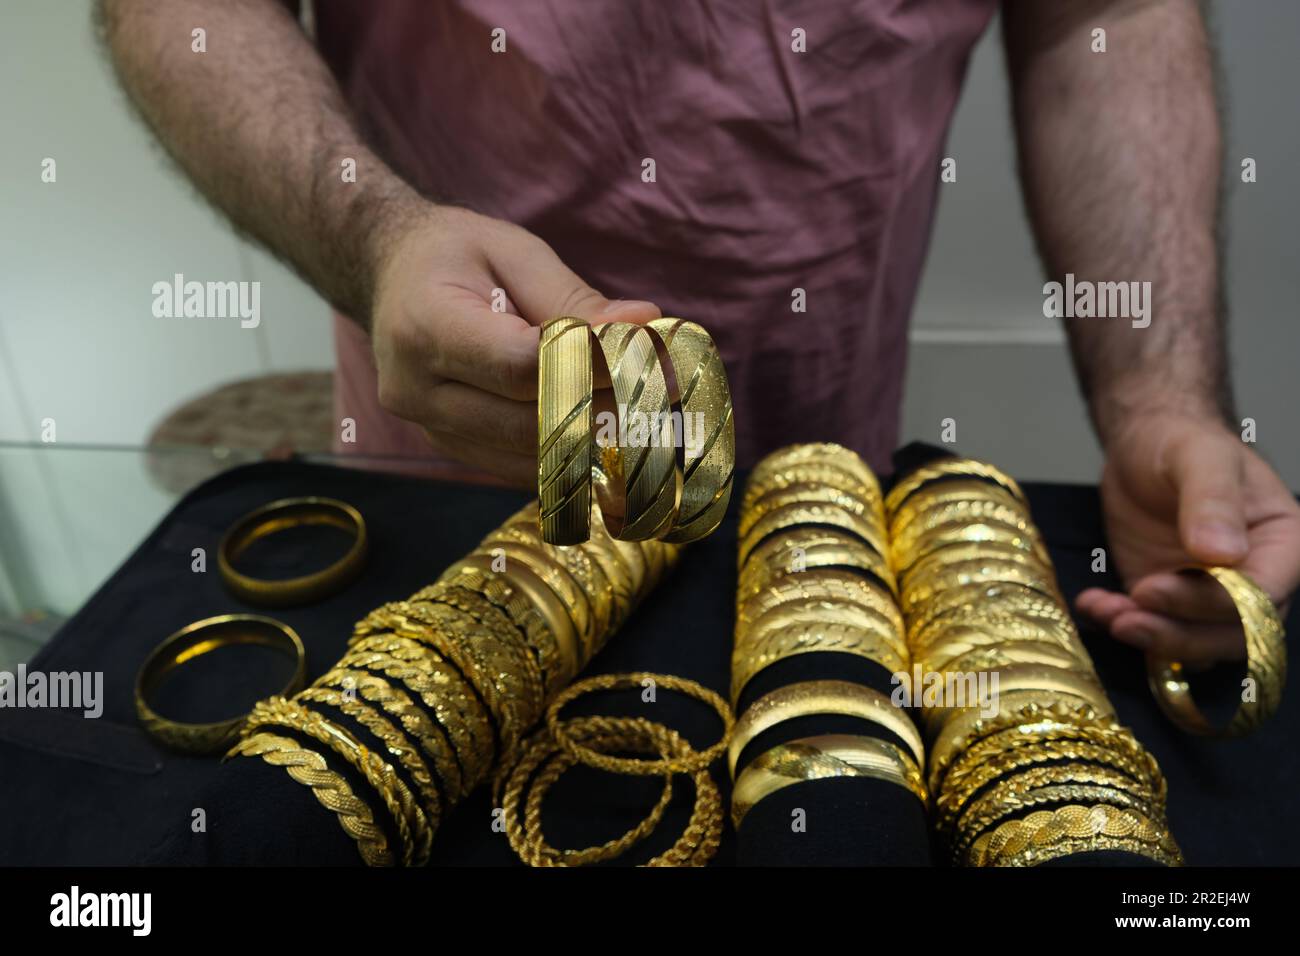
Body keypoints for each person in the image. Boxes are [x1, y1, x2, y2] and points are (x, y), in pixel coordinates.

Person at [100, 0, 1299, 668]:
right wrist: (373, 242)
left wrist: (1159, 393)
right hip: (455, 442)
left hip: (831, 435)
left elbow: (1106, 16)